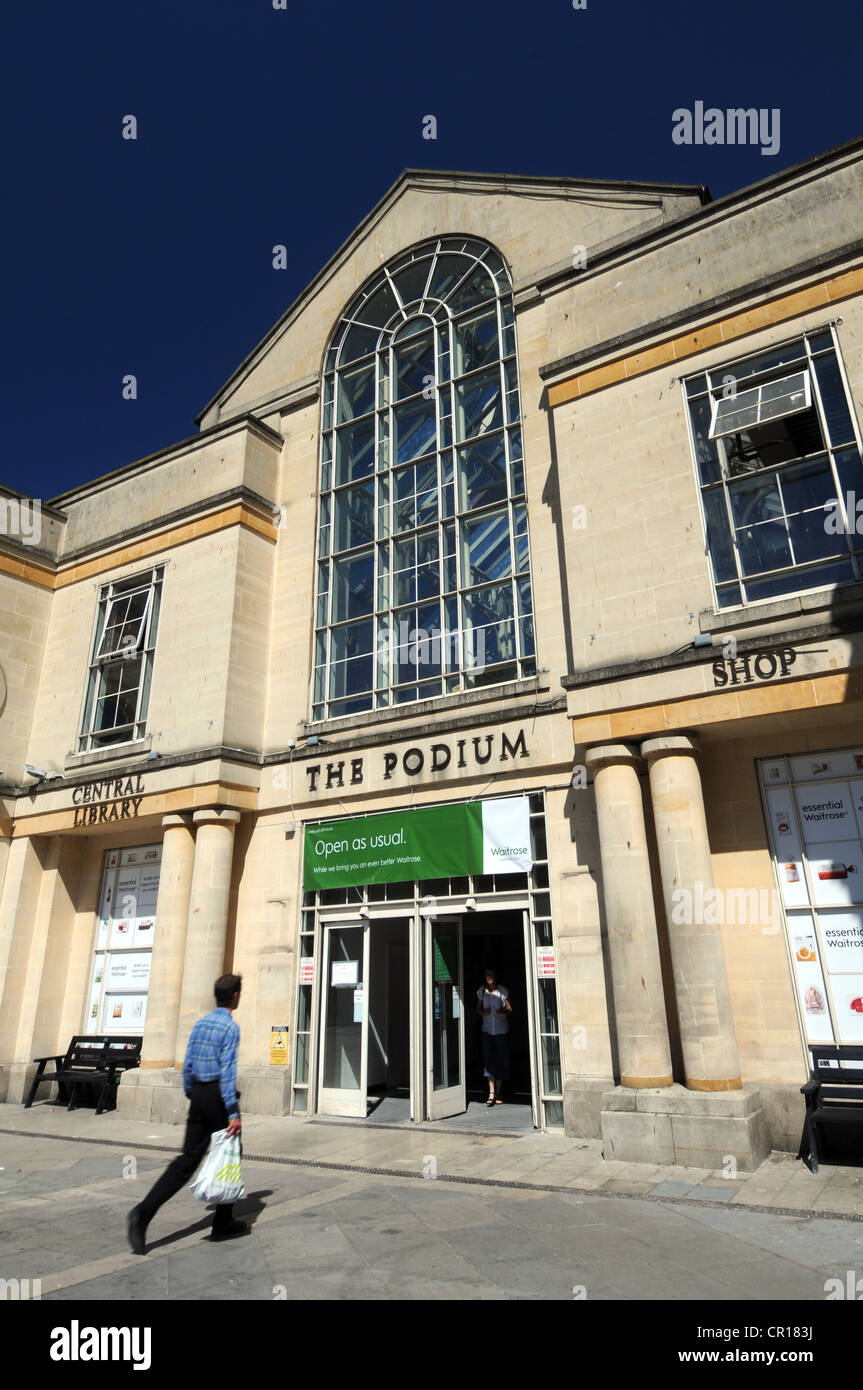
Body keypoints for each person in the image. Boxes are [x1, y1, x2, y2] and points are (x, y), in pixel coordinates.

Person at [127, 973, 247, 1254]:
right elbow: (228, 1073)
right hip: (218, 1095)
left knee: (186, 1160)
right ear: (236, 997)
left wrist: (193, 1093)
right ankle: (223, 1222)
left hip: (199, 1095)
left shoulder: (201, 1024)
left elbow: (188, 1063)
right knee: (229, 1151)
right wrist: (232, 1112)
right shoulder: (230, 1028)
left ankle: (143, 1212)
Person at [476, 965, 511, 1105]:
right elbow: (478, 1009)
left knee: (501, 1059)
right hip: (487, 1030)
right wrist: (483, 1012)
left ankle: (499, 1091)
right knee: (489, 1060)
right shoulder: (482, 992)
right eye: (486, 975)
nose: (488, 977)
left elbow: (509, 1009)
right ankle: (491, 1093)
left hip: (501, 1030)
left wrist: (502, 1012)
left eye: (490, 974)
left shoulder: (502, 991)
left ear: (495, 976)